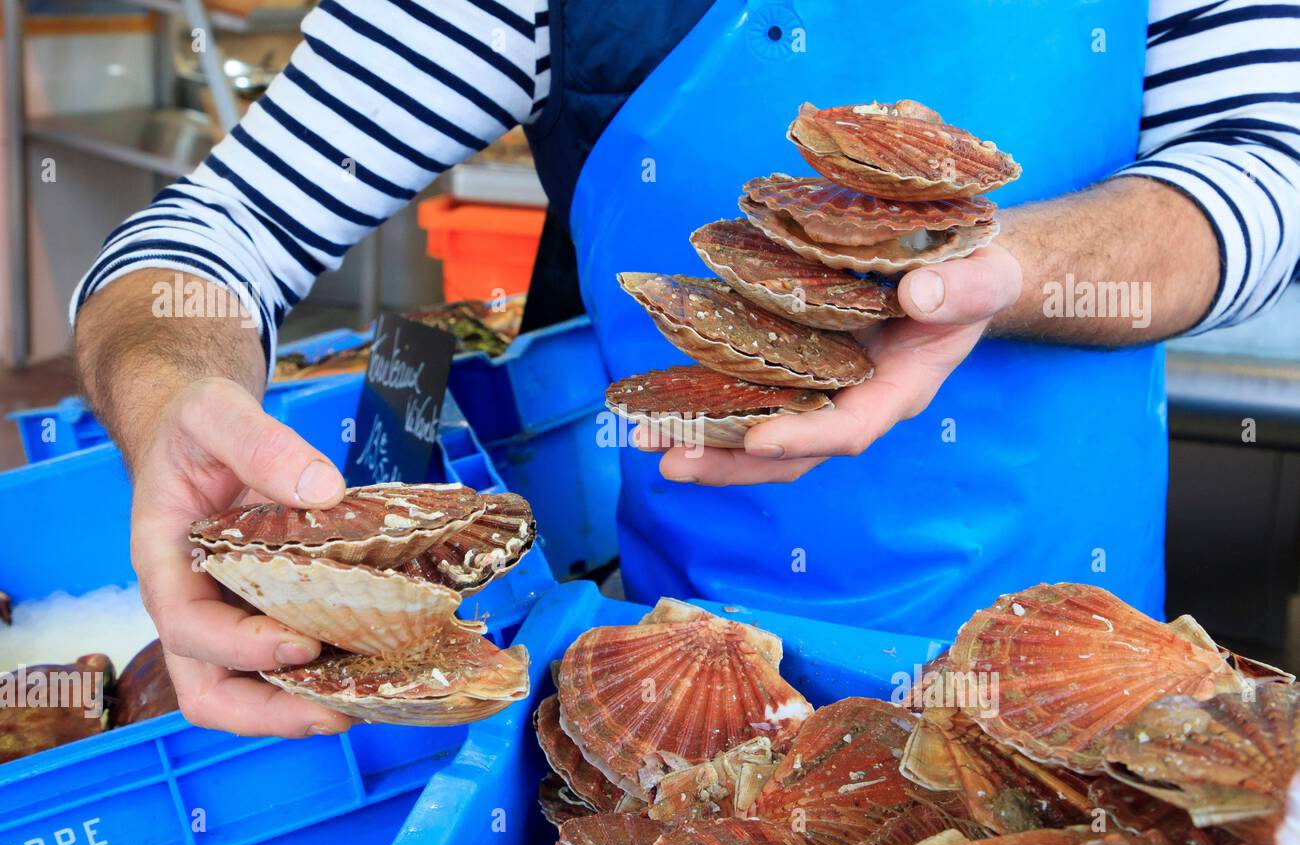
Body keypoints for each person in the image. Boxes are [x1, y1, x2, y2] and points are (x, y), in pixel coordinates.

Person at [72, 0, 1300, 737]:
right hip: (690, 670)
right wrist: (169, 383)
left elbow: (1265, 164)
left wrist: (1002, 265)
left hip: (1086, 648)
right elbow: (221, 232)